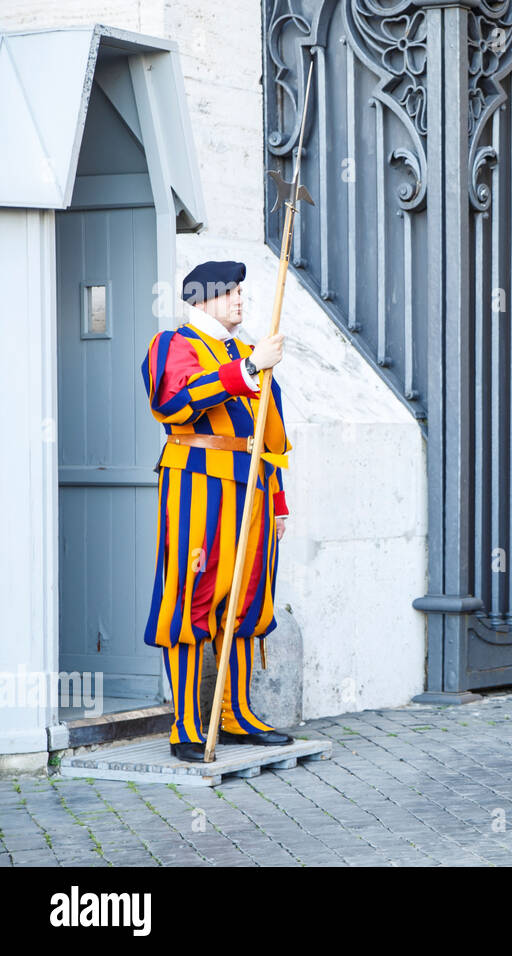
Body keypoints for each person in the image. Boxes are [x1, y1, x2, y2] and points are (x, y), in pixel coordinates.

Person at [140, 260, 295, 762]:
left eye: (240, 292)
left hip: (250, 485)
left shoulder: (247, 349)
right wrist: (246, 371)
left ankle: (236, 716)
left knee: (248, 598)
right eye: (229, 292)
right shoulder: (173, 345)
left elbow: (267, 432)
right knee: (190, 596)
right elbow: (174, 403)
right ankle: (185, 727)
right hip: (197, 482)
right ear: (201, 299)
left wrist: (277, 499)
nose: (239, 300)